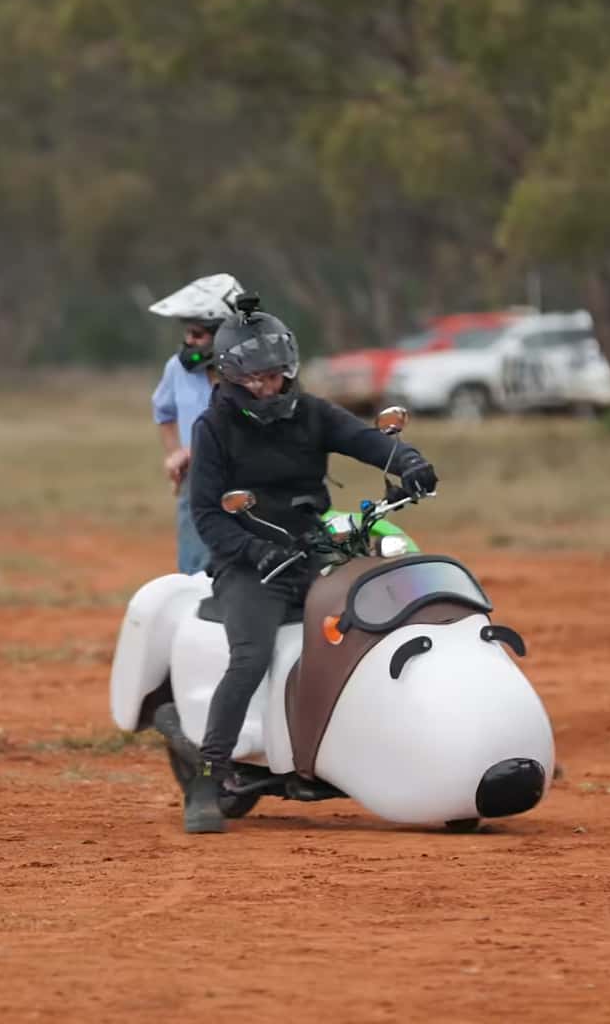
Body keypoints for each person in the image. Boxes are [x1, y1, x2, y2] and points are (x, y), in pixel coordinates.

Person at [181, 297, 438, 833]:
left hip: (316, 546)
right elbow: (207, 515)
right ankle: (208, 777)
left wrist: (409, 462)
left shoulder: (311, 412)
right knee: (249, 658)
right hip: (250, 561)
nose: (269, 386)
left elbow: (365, 440)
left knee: (393, 621)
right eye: (256, 379)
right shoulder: (213, 428)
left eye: (276, 375)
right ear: (231, 376)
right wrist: (255, 550)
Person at [149, 274, 240, 574]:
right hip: (198, 482)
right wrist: (176, 453)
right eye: (188, 333)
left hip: (245, 479)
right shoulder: (177, 368)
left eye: (198, 335)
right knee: (195, 569)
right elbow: (164, 413)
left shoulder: (253, 372)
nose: (189, 341)